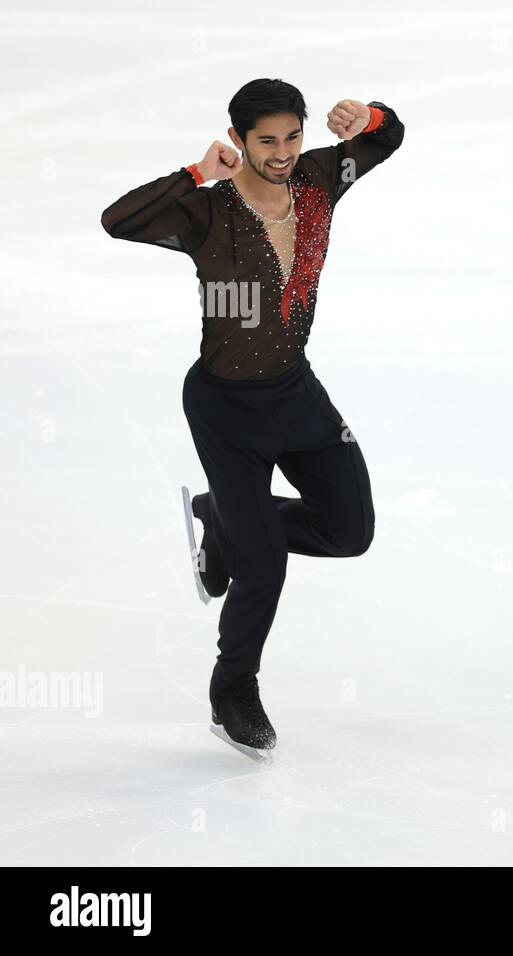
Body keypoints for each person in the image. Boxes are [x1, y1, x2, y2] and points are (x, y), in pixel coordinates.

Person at [101, 78, 405, 758]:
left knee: (349, 529)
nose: (283, 151)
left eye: (293, 136)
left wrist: (370, 115)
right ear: (238, 140)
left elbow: (387, 137)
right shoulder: (205, 214)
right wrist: (193, 173)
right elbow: (118, 220)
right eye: (266, 140)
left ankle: (222, 519)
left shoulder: (322, 176)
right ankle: (232, 688)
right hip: (225, 409)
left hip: (296, 396)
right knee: (263, 567)